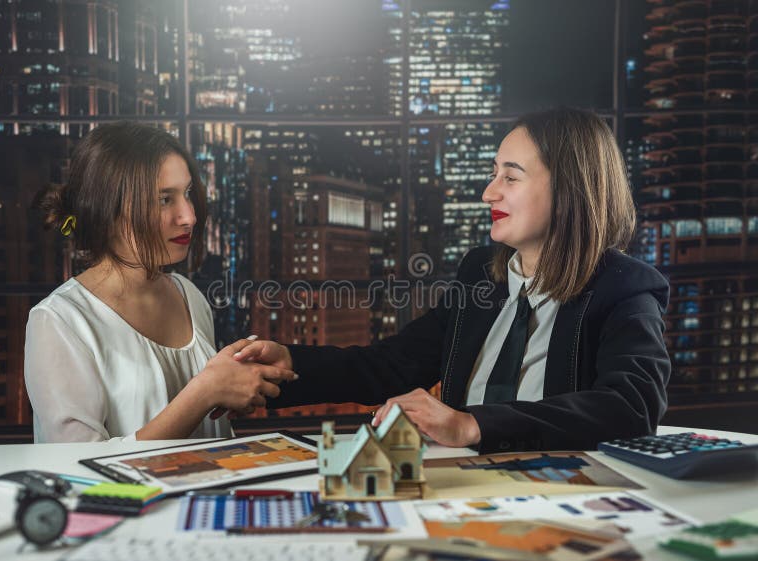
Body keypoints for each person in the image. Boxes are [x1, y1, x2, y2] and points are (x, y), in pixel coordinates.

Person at [225, 107, 671, 453]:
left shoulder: (625, 289)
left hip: (564, 499)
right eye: (493, 174)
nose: (489, 192)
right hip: (463, 489)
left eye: (510, 177)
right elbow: (391, 365)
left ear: (570, 188)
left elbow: (630, 408)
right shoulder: (480, 274)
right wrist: (286, 363)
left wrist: (472, 425)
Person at [25, 122, 296, 443]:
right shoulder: (58, 322)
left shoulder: (188, 295)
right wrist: (205, 392)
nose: (189, 216)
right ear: (108, 211)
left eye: (188, 194)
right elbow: (73, 463)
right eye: (164, 199)